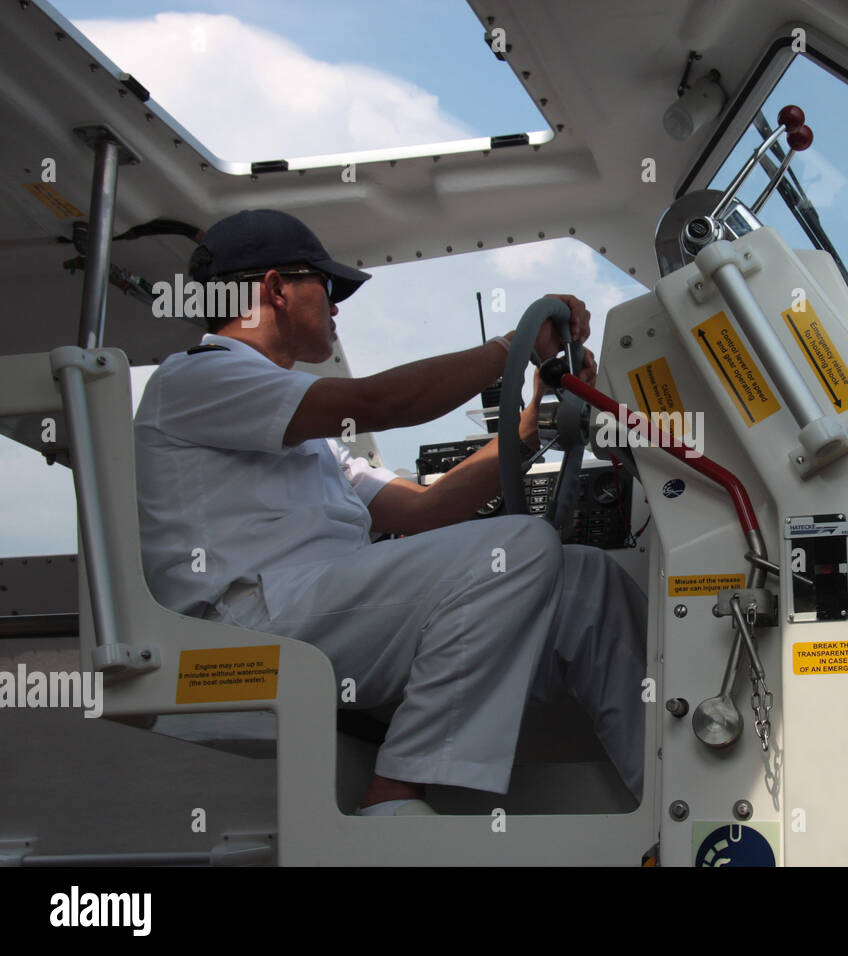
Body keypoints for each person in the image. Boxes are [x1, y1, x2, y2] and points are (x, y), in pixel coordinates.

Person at [134, 209, 646, 815]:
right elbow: (381, 402)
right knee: (522, 547)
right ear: (275, 289)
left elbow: (425, 509)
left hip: (319, 613)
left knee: (588, 578)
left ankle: (671, 794)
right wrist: (512, 348)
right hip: (245, 626)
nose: (336, 307)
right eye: (328, 289)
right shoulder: (197, 378)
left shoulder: (308, 434)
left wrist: (532, 423)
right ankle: (394, 799)